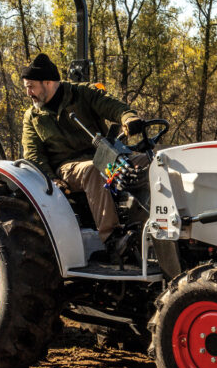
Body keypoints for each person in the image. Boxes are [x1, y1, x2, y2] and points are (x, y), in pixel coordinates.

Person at [20, 53, 146, 246]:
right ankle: (113, 239)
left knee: (150, 161)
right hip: (68, 168)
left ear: (47, 82)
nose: (29, 93)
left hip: (105, 157)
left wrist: (128, 117)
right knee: (94, 170)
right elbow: (33, 155)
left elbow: (112, 106)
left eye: (31, 87)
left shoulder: (82, 93)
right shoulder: (32, 117)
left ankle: (157, 225)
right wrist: (51, 179)